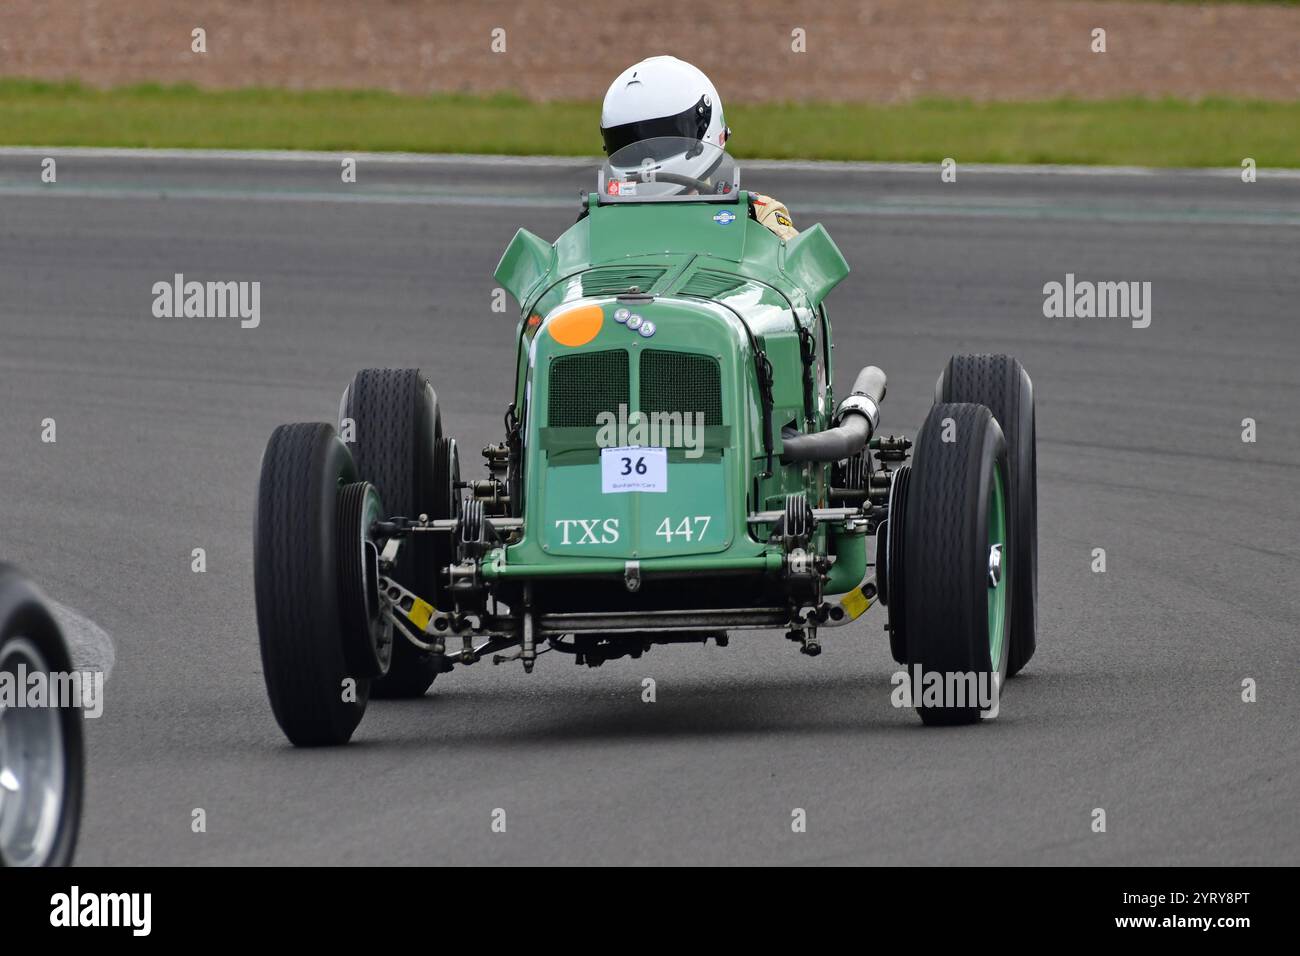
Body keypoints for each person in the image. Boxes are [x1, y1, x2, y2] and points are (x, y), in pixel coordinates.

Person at [599, 56, 799, 241]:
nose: (645, 157)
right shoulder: (599, 221)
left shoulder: (756, 215)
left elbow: (796, 271)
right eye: (629, 143)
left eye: (660, 139)